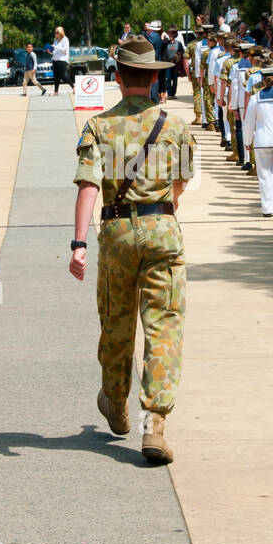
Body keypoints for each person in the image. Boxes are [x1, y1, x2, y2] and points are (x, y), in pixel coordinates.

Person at [70, 35, 194, 464]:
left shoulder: (99, 126)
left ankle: (116, 401)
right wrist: (159, 212)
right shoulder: (175, 125)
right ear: (153, 79)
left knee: (117, 321)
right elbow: (180, 186)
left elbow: (88, 186)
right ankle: (154, 425)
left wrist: (79, 243)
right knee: (163, 326)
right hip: (163, 228)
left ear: (119, 78)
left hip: (117, 228)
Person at [243, 66, 273, 216]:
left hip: (262, 141)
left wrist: (247, 141)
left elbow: (249, 123)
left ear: (263, 80)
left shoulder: (256, 99)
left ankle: (268, 208)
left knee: (264, 175)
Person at [50, 26, 74, 93]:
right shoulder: (56, 40)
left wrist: (55, 47)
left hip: (62, 59)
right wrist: (51, 51)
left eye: (58, 32)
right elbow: (55, 51)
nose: (56, 33)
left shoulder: (65, 39)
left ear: (61, 32)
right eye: (56, 32)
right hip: (55, 59)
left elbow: (64, 50)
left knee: (63, 75)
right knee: (56, 76)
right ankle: (55, 92)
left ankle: (73, 86)